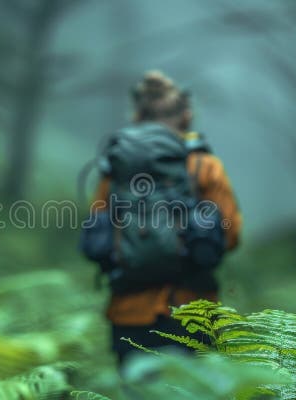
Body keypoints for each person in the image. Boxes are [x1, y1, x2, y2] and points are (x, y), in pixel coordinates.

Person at [89, 70, 241, 365]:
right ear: (185, 117)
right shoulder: (204, 165)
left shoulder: (117, 168)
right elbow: (230, 235)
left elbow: (98, 229)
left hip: (128, 311)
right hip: (193, 310)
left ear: (137, 115)